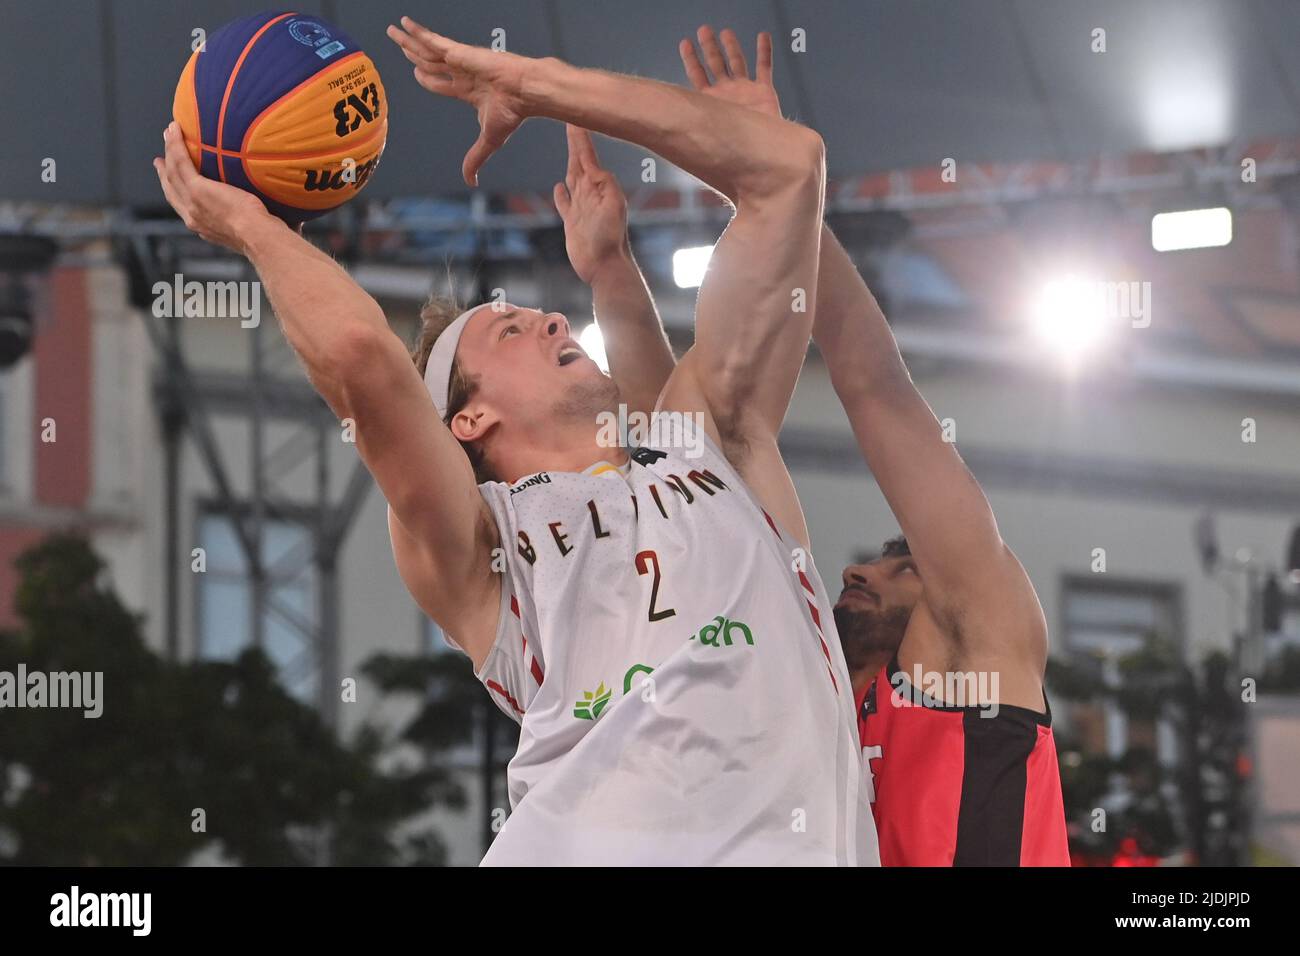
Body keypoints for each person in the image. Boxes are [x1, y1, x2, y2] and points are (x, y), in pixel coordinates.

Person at [155, 18, 873, 866]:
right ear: (468, 420)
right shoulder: (481, 539)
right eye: (507, 332)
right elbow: (358, 355)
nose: (547, 315)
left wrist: (534, 86)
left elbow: (789, 169)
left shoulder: (709, 451)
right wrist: (253, 227)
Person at [670, 25, 1071, 865]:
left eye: (900, 565)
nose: (856, 570)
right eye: (878, 562)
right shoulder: (830, 703)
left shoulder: (974, 639)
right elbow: (676, 447)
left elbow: (874, 385)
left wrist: (785, 192)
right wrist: (757, 199)